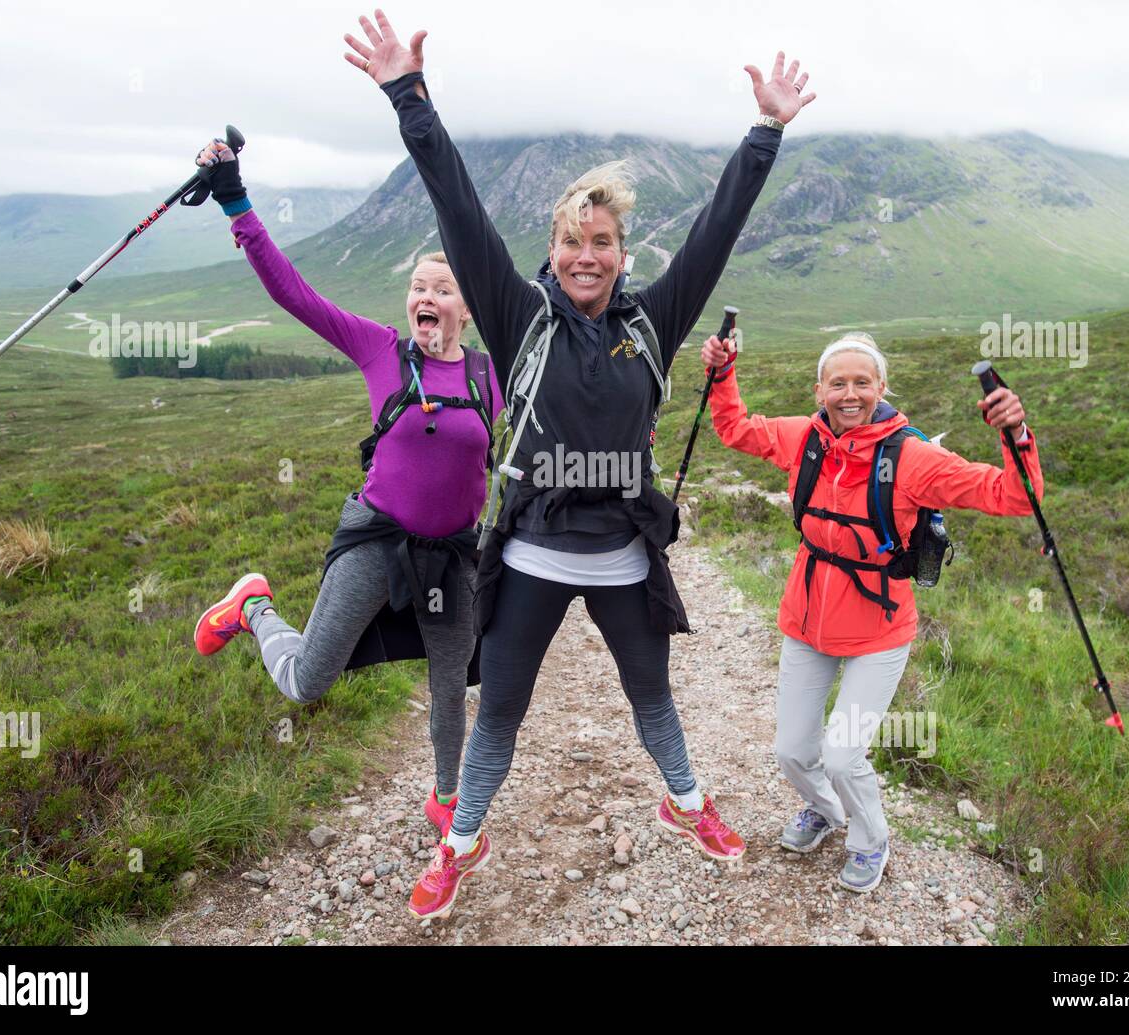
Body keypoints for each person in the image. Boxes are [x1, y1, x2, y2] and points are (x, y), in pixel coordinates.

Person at [342, 8, 815, 920]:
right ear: (551, 252)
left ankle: (686, 804)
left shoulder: (652, 321)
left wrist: (766, 133)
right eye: (572, 242)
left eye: (602, 243)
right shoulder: (518, 317)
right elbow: (458, 204)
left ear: (621, 254)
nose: (586, 256)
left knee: (653, 698)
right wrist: (408, 92)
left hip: (624, 555)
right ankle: (461, 842)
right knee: (504, 714)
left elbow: (717, 230)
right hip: (531, 556)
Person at [189, 137, 503, 836]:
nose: (426, 297)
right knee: (307, 682)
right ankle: (253, 609)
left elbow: (555, 383)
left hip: (452, 557)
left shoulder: (490, 375)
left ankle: (449, 808)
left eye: (442, 289)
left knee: (452, 688)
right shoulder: (378, 348)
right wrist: (237, 201)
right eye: (419, 287)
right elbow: (291, 292)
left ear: (468, 310)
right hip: (377, 541)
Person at [700, 329, 1042, 892]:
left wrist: (1017, 434)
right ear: (819, 390)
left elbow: (1012, 494)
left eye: (862, 382)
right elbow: (734, 427)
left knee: (839, 753)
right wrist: (723, 371)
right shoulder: (801, 439)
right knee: (791, 751)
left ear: (882, 386)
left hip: (880, 633)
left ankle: (869, 838)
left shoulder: (913, 458)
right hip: (806, 623)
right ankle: (828, 811)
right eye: (838, 383)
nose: (850, 393)